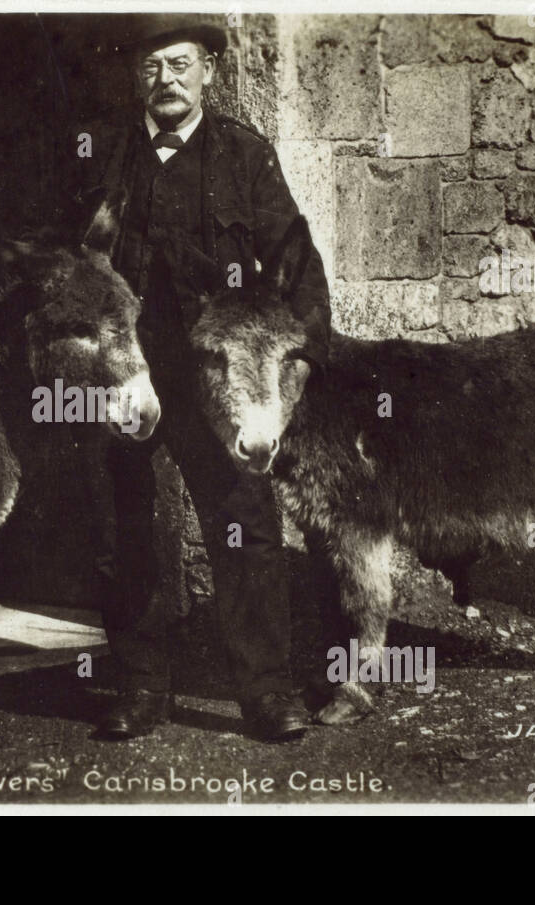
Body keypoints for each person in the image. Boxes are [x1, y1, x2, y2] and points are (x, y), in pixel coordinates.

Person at [62, 14, 332, 740]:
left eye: (181, 64)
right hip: (131, 376)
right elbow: (73, 266)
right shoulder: (104, 156)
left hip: (220, 382)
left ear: (208, 72)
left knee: (244, 520)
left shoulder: (246, 156)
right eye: (152, 66)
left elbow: (297, 263)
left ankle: (266, 690)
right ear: (135, 77)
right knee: (128, 525)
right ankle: (141, 683)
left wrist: (301, 366)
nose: (167, 80)